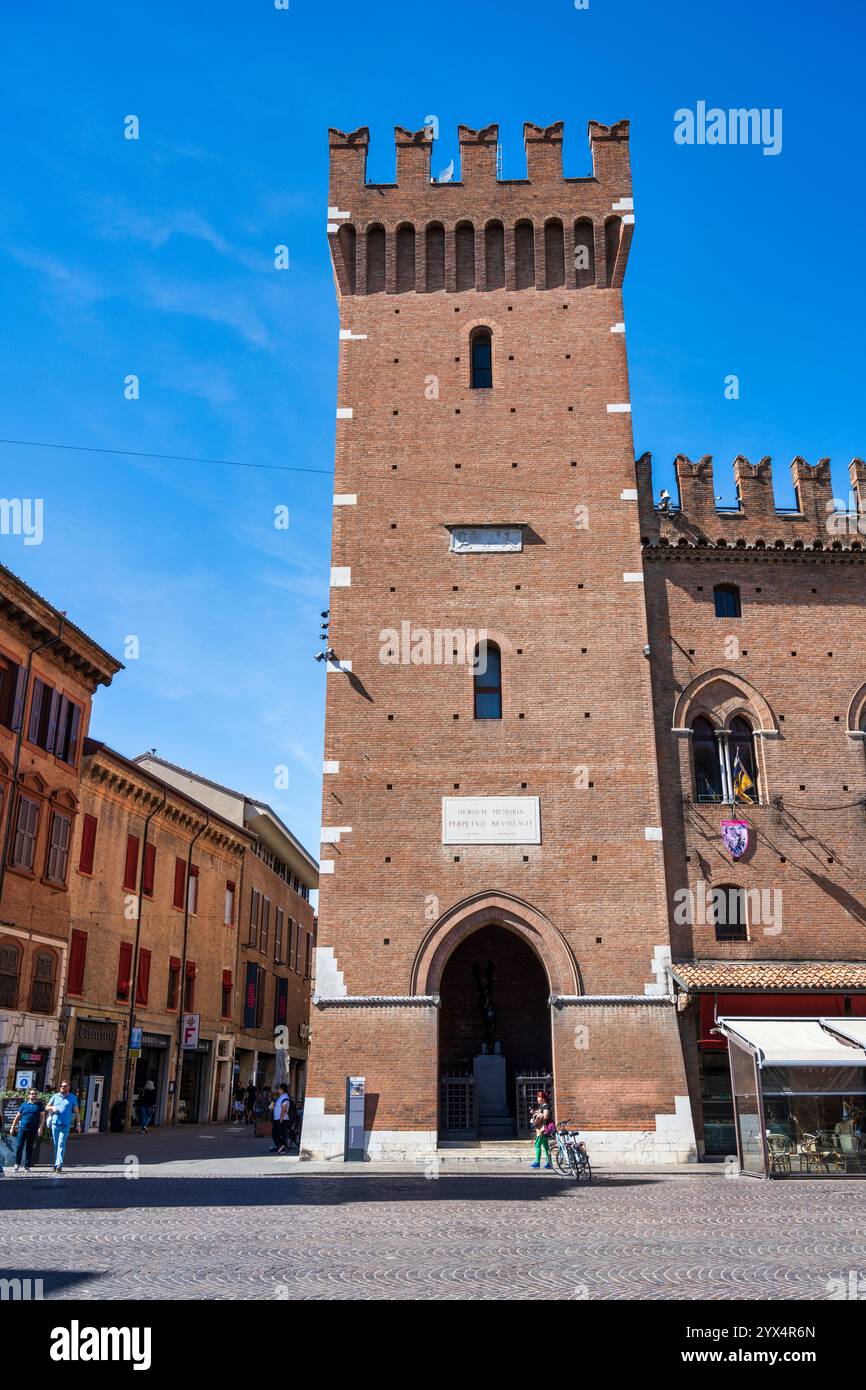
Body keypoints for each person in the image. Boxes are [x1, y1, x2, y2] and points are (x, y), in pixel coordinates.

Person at [45, 1081, 81, 1172]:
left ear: (69, 1087)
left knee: (61, 1144)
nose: (62, 1087)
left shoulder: (72, 1098)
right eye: (61, 1086)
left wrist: (78, 1124)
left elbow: (77, 1112)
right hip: (55, 1123)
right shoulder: (55, 1096)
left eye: (65, 1086)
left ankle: (59, 1164)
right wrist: (52, 1108)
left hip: (65, 1124)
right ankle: (56, 1163)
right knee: (56, 1144)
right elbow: (46, 1107)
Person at [9, 1088, 45, 1173]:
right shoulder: (24, 1105)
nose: (34, 1095)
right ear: (29, 1095)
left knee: (29, 1148)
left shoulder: (40, 1105)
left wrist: (40, 1128)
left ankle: (27, 1165)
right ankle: (17, 1164)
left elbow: (42, 1118)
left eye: (35, 1094)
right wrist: (12, 1127)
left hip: (32, 1130)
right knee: (19, 1147)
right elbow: (17, 1116)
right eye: (32, 1094)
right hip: (22, 1129)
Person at [529, 1088, 554, 1171]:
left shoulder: (546, 1105)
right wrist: (535, 1113)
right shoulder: (542, 1106)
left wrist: (539, 1114)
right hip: (542, 1128)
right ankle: (549, 1163)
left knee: (537, 1144)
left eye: (538, 1097)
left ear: (542, 1098)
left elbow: (546, 1116)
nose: (537, 1099)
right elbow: (541, 1113)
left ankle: (537, 1162)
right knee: (546, 1146)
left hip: (544, 1128)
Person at [271, 1084, 290, 1154]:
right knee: (277, 1134)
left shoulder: (285, 1097)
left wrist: (281, 1119)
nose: (278, 1090)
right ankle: (281, 1147)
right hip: (278, 1118)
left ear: (282, 1089)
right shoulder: (281, 1096)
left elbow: (284, 1109)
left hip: (281, 1119)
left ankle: (281, 1146)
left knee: (276, 1134)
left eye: (279, 1088)